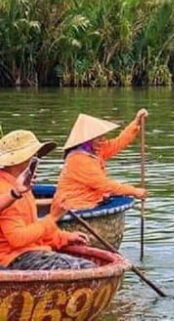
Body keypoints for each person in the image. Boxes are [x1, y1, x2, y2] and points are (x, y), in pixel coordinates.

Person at [0, 130, 94, 270]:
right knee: (83, 268)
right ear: (21, 160)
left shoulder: (22, 187)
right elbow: (18, 239)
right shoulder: (7, 190)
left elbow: (32, 226)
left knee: (87, 265)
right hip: (13, 258)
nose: (36, 161)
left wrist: (63, 237)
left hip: (30, 251)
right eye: (33, 157)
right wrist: (53, 217)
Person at [52, 110, 148, 211]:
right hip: (76, 206)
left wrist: (136, 122)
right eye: (98, 138)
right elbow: (104, 184)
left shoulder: (96, 150)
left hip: (92, 201)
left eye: (103, 136)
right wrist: (134, 191)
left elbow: (119, 142)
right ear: (88, 140)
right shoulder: (78, 159)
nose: (103, 140)